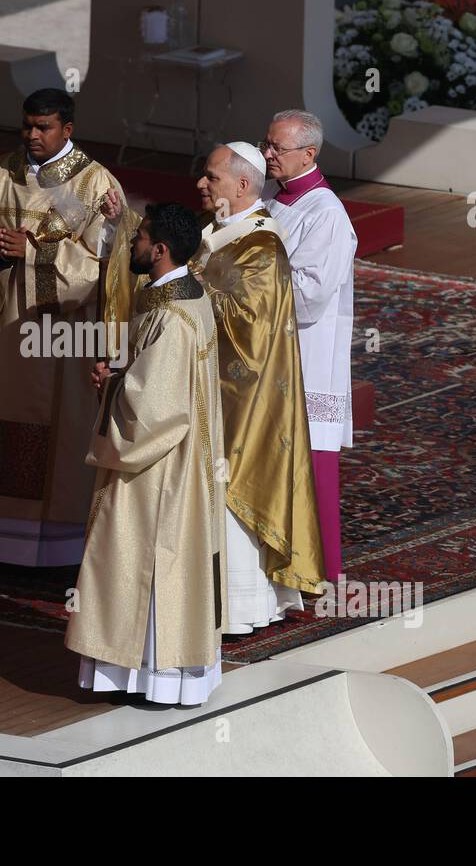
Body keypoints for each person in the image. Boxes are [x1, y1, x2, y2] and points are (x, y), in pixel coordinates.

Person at [100, 142, 324, 635]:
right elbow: (162, 271)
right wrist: (125, 234)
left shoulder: (263, 247)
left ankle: (241, 605)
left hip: (241, 398)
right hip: (195, 385)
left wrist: (188, 294)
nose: (201, 184)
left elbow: (252, 329)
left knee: (227, 491)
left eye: (211, 178)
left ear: (242, 186)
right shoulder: (212, 233)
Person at [0, 88, 129, 566]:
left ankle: (53, 551)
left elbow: (105, 263)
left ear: (66, 130)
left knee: (57, 430)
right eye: (27, 125)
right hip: (6, 320)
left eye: (43, 127)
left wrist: (33, 253)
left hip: (59, 333)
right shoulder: (1, 172)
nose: (32, 135)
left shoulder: (95, 184)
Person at [67, 203, 227, 706]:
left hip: (159, 469)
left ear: (159, 251)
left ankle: (148, 674)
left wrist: (111, 386)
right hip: (180, 461)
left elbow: (156, 408)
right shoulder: (183, 293)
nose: (131, 243)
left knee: (142, 557)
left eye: (139, 237)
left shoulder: (172, 315)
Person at [259, 110, 356, 583]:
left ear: (309, 154)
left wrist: (247, 285)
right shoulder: (270, 199)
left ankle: (316, 572)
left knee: (308, 467)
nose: (268, 154)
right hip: (266, 352)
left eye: (278, 147)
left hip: (305, 359)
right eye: (267, 144)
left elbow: (311, 295)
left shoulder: (327, 214)